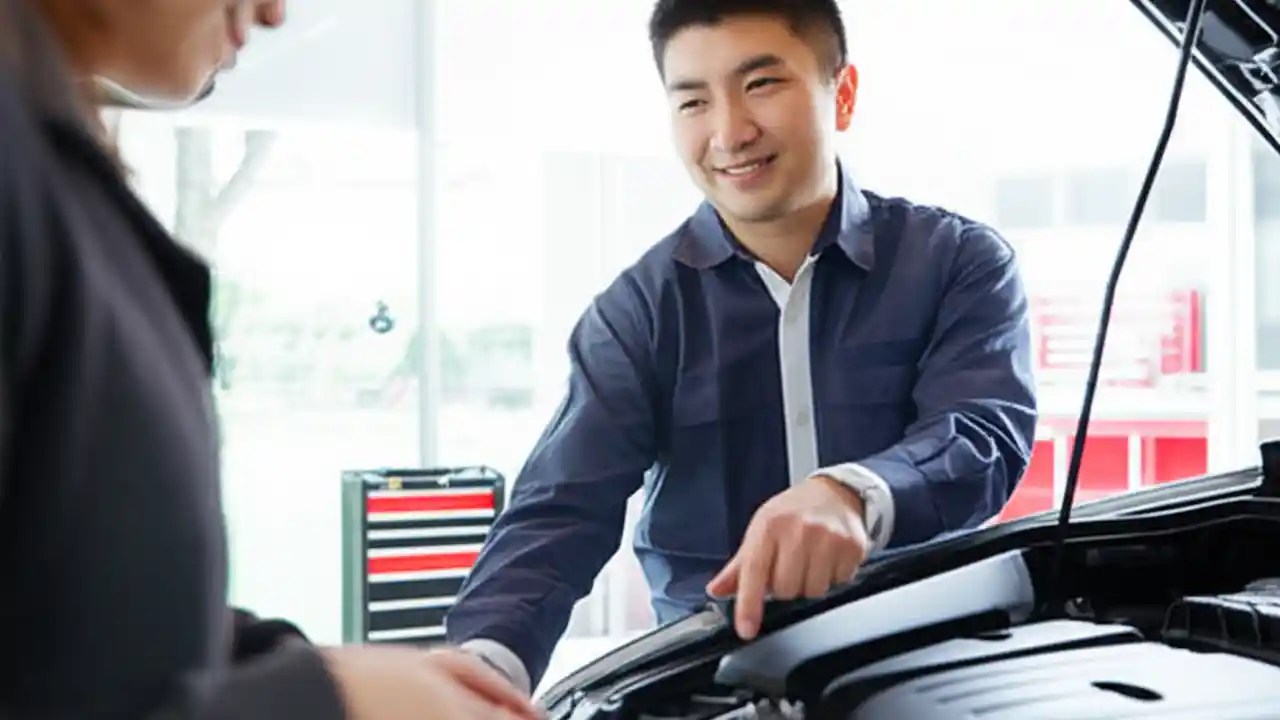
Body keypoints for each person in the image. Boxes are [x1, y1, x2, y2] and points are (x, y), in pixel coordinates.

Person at [446, 0, 1039, 696]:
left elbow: (980, 436)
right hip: (714, 683)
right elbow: (562, 508)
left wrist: (854, 496)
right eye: (693, 101)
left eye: (761, 85)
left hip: (936, 668)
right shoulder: (637, 311)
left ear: (841, 95)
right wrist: (481, 667)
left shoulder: (958, 262)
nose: (729, 132)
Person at [0, 2, 540, 719]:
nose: (275, 12)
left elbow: (71, 607)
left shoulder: (47, 154)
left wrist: (310, 667)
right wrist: (325, 699)